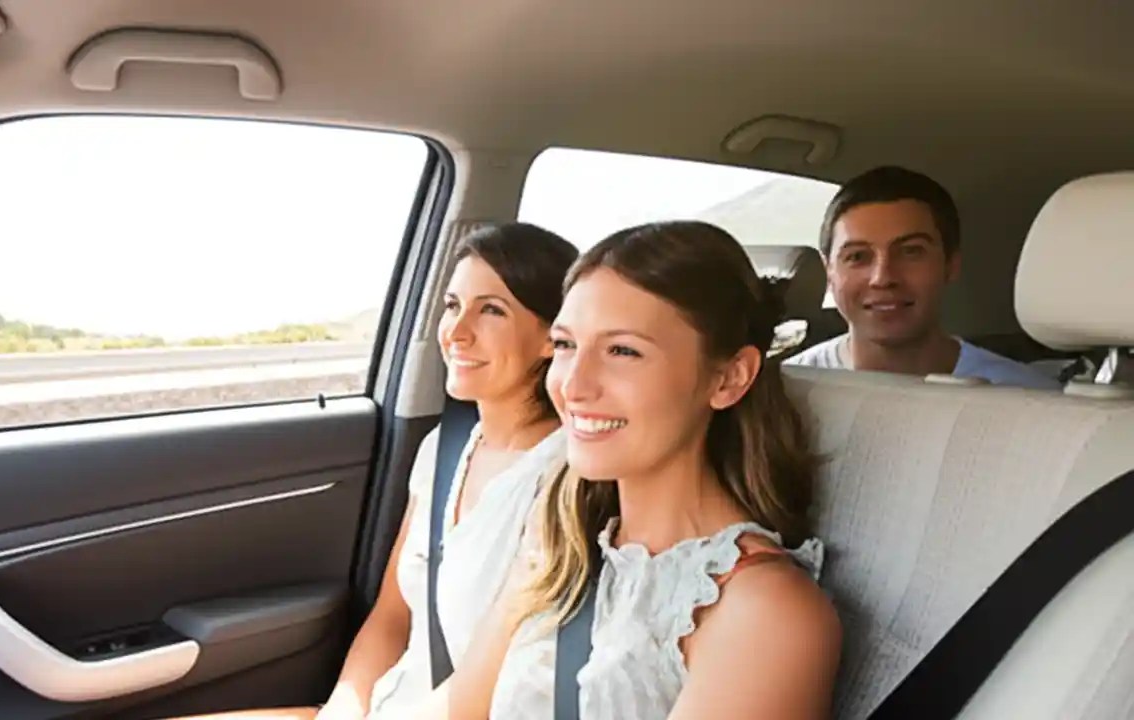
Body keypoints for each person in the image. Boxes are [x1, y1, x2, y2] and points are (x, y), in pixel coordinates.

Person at [390, 221, 841, 720]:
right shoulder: (563, 537)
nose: (573, 385)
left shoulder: (763, 613)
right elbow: (459, 709)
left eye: (623, 351)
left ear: (730, 378)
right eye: (565, 345)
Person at [172, 223, 578, 720]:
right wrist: (344, 706)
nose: (457, 331)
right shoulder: (443, 450)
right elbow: (391, 617)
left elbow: (509, 683)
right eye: (453, 305)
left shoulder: (566, 478)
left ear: (552, 338)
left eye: (491, 310)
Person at [786, 165, 1058, 389]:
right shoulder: (787, 392)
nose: (882, 277)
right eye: (857, 256)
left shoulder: (1026, 399)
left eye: (911, 252)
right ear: (829, 272)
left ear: (951, 264)